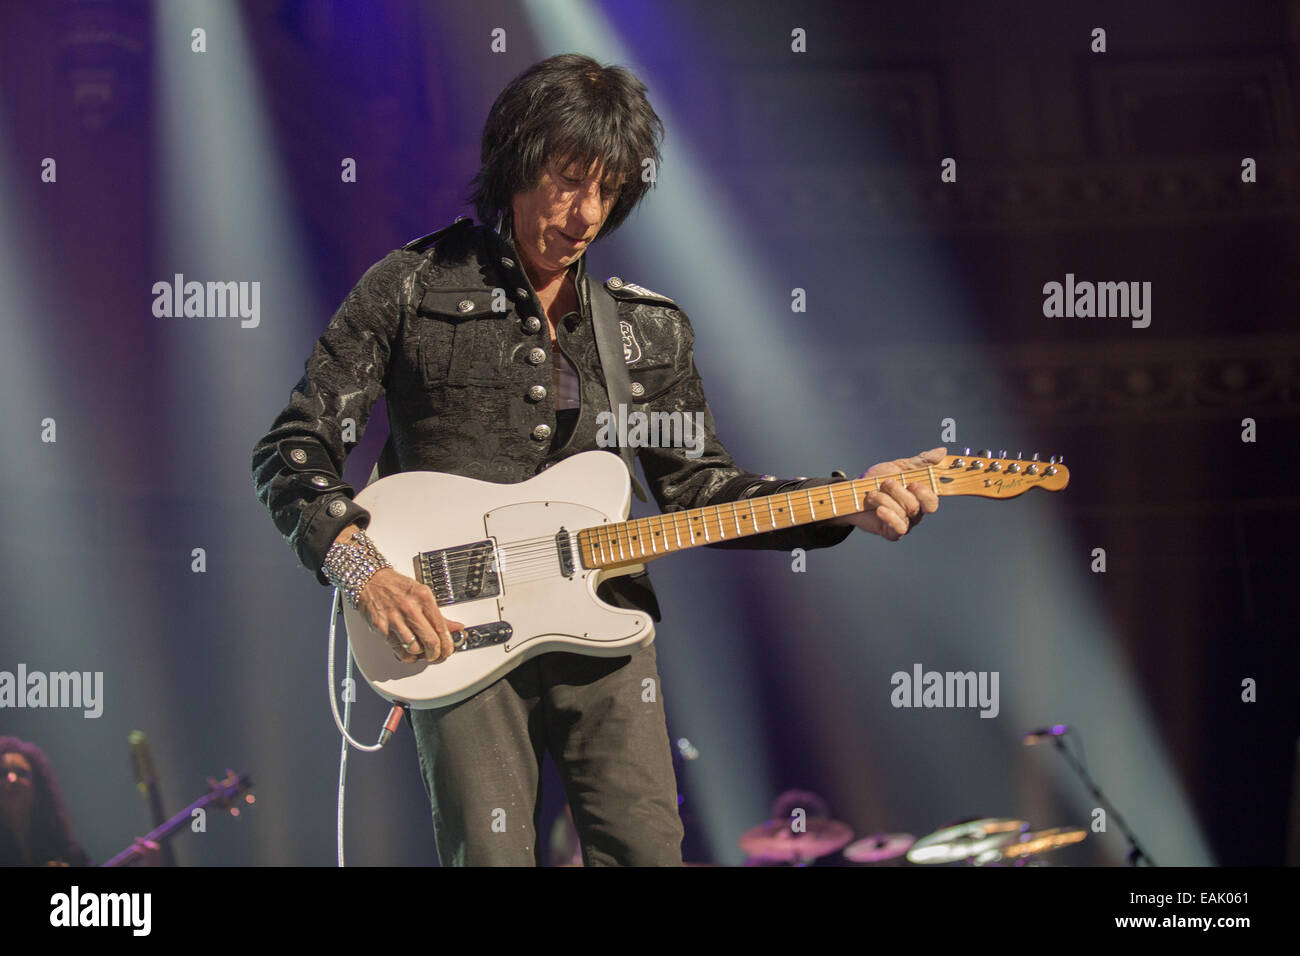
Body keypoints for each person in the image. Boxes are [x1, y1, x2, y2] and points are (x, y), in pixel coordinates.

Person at [251, 53, 941, 866]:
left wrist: (845, 501)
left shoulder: (648, 331)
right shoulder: (408, 287)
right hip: (458, 632)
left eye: (608, 191)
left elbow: (701, 488)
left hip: (607, 636)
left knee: (647, 850)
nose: (586, 214)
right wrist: (364, 569)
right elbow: (292, 448)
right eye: (569, 181)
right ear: (515, 163)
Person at [0, 737, 159, 867]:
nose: (12, 780)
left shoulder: (64, 851)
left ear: (38, 786)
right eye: (2, 773)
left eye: (21, 773)